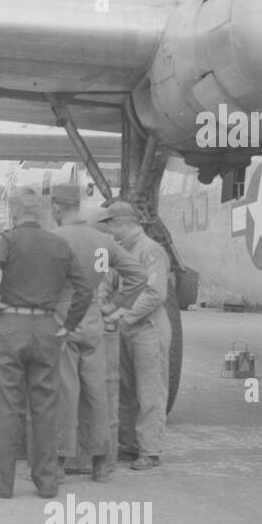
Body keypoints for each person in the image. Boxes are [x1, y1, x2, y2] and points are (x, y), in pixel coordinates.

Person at [0, 188, 92, 499]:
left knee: (8, 409)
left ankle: (1, 484)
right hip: (46, 328)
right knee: (45, 409)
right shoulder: (59, 244)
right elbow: (84, 289)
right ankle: (46, 482)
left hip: (11, 326)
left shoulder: (8, 240)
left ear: (13, 213)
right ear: (40, 213)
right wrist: (67, 325)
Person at [49, 185, 146, 482]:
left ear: (55, 207)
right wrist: (114, 305)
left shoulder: (54, 239)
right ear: (78, 205)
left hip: (62, 318)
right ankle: (101, 462)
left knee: (66, 393)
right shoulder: (102, 240)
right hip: (93, 318)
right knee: (96, 392)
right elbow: (139, 276)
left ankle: (60, 463)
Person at [94, 200, 172, 471]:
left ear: (120, 223)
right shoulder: (118, 251)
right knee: (125, 389)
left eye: (111, 225)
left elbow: (155, 293)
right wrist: (103, 305)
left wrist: (122, 315)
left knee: (149, 390)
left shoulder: (151, 250)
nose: (109, 232)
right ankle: (129, 444)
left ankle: (150, 450)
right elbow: (106, 282)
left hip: (147, 327)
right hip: (125, 327)